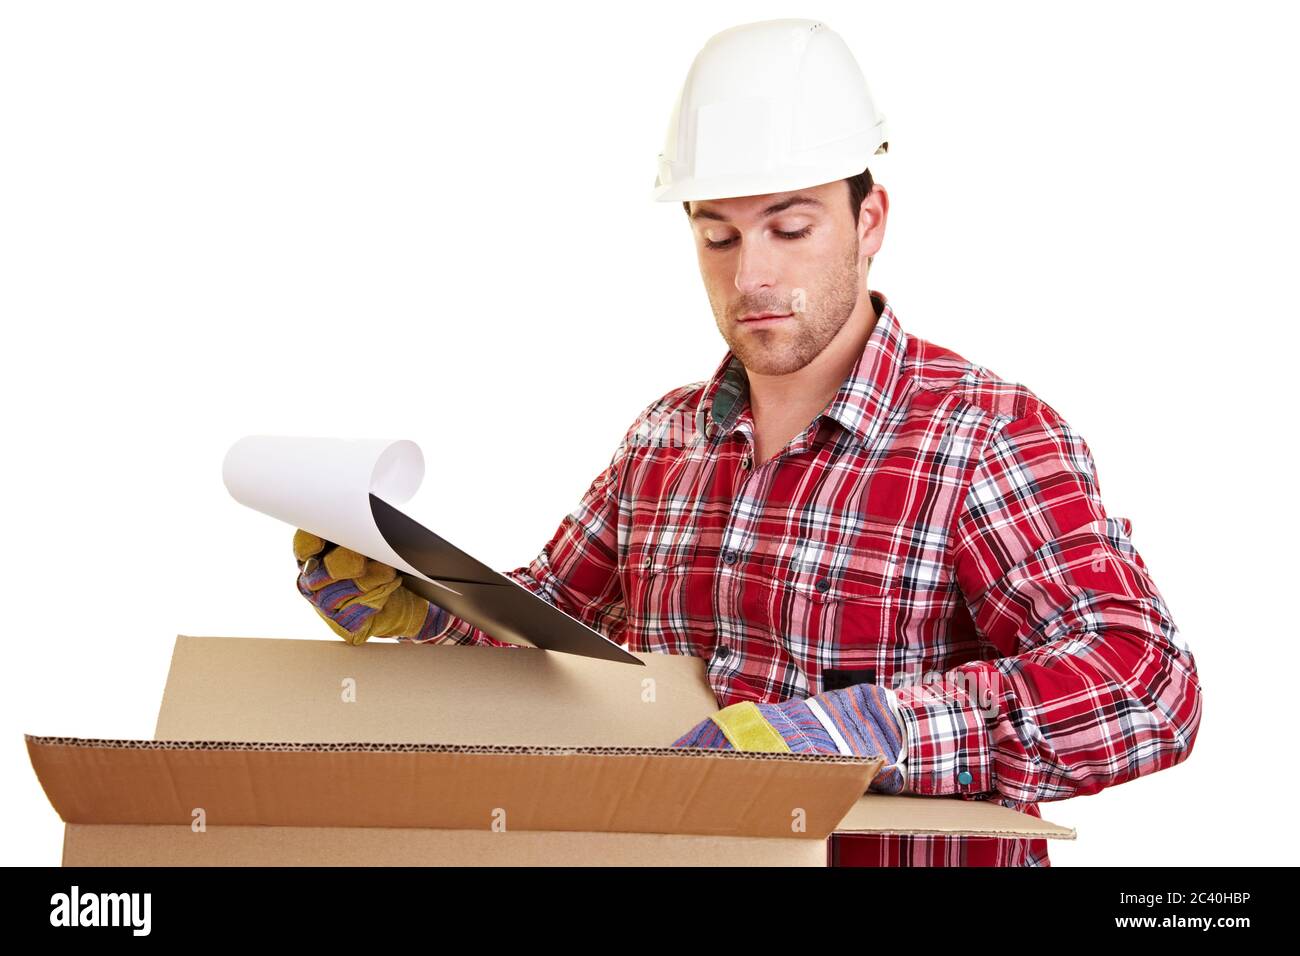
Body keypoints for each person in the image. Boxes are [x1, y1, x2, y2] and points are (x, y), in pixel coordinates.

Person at [293, 18, 1202, 867]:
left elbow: (1147, 685)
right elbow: (558, 656)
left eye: (790, 228)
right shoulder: (664, 441)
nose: (751, 275)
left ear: (870, 221)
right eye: (717, 236)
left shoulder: (983, 436)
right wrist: (425, 612)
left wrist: (875, 731)